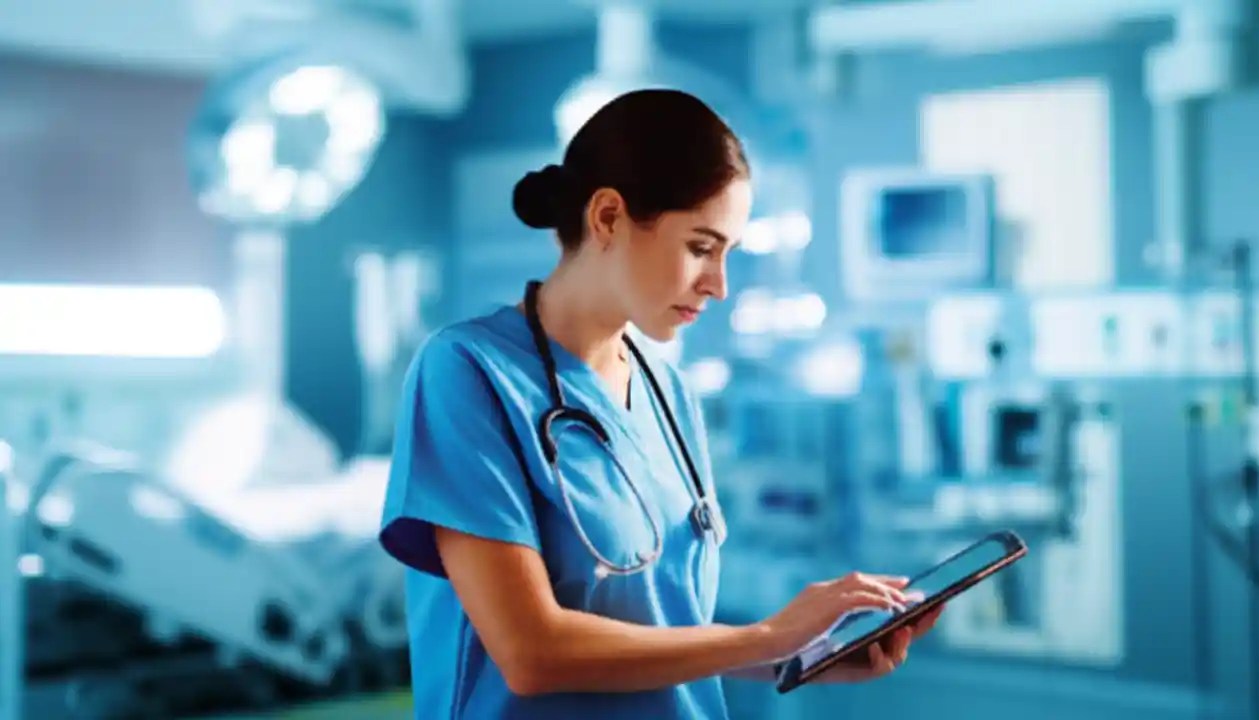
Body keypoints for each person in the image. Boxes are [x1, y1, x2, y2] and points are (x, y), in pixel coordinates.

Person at [378, 88, 942, 719]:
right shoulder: (467, 373)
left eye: (728, 254)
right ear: (609, 218)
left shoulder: (667, 395)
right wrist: (767, 636)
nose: (720, 285)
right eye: (701, 248)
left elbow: (663, 627)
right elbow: (531, 651)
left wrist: (800, 656)